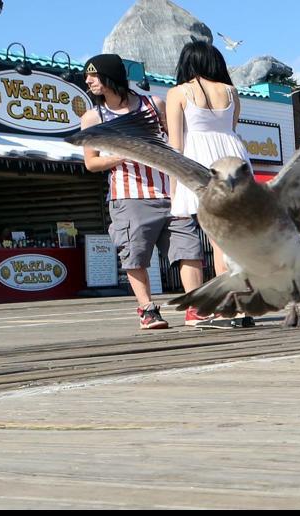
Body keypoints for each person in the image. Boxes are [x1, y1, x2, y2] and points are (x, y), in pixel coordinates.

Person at [79, 54, 203, 331]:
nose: (88, 81)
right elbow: (91, 163)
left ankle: (195, 307)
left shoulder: (153, 103)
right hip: (128, 196)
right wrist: (123, 155)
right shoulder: (92, 117)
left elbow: (176, 142)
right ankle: (147, 310)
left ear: (111, 77)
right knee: (135, 254)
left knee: (189, 249)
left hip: (170, 190)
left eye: (94, 75)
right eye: (87, 77)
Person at [164, 39, 255, 328]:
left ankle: (233, 306)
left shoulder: (179, 92)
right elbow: (232, 129)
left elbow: (175, 144)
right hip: (234, 160)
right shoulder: (231, 91)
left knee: (219, 242)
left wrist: (175, 187)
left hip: (200, 163)